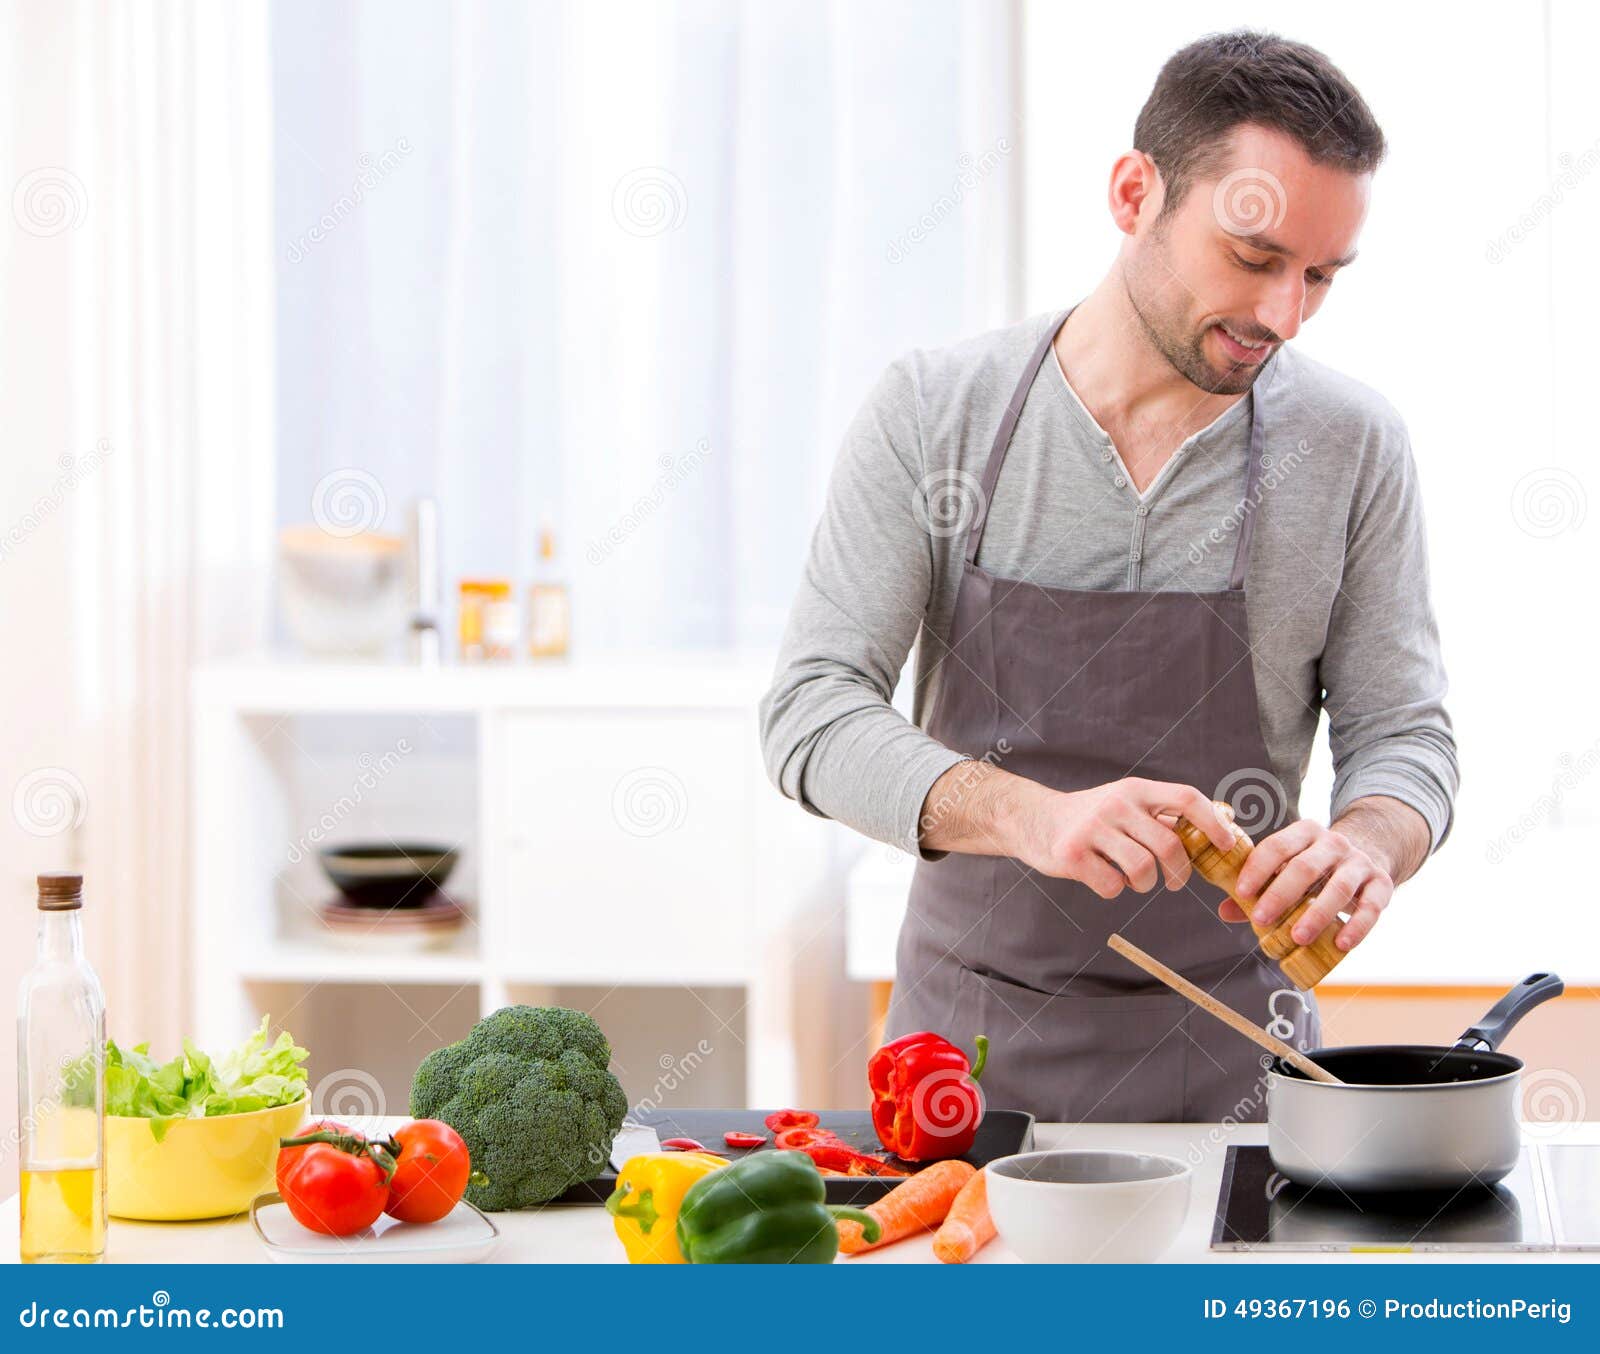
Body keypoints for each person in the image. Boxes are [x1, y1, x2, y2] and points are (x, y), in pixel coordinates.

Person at [759, 30, 1458, 1122]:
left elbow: (1406, 732)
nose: (1281, 315)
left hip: (1238, 1068)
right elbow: (810, 715)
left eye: (1319, 277)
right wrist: (1030, 817)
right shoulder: (936, 411)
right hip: (965, 1069)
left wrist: (1368, 841)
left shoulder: (1351, 445)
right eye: (1254, 257)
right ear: (1136, 193)